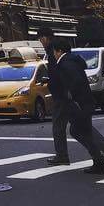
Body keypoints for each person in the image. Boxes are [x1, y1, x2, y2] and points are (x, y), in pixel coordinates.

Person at [52, 39, 104, 174]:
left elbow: (74, 80)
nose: (54, 54)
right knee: (83, 130)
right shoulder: (73, 60)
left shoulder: (66, 63)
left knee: (79, 130)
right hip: (84, 101)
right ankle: (99, 161)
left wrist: (70, 94)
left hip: (78, 103)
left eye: (54, 51)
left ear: (59, 51)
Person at [38, 26, 70, 166]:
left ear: (46, 37)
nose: (40, 40)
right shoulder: (54, 48)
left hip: (61, 94)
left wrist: (51, 82)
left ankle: (62, 155)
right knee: (80, 127)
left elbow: (57, 72)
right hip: (64, 93)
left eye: (40, 37)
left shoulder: (53, 50)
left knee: (58, 126)